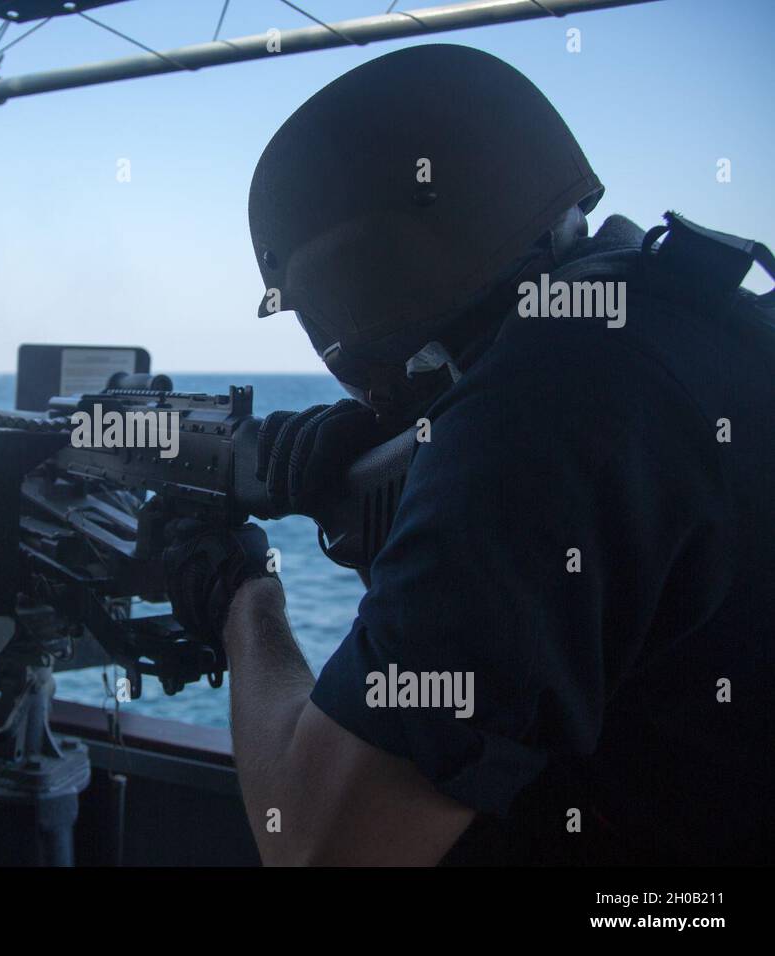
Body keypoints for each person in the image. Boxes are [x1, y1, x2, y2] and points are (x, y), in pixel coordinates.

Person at [163, 43, 775, 865]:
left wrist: (242, 598)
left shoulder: (543, 414)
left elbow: (316, 847)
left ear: (345, 287)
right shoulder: (681, 327)